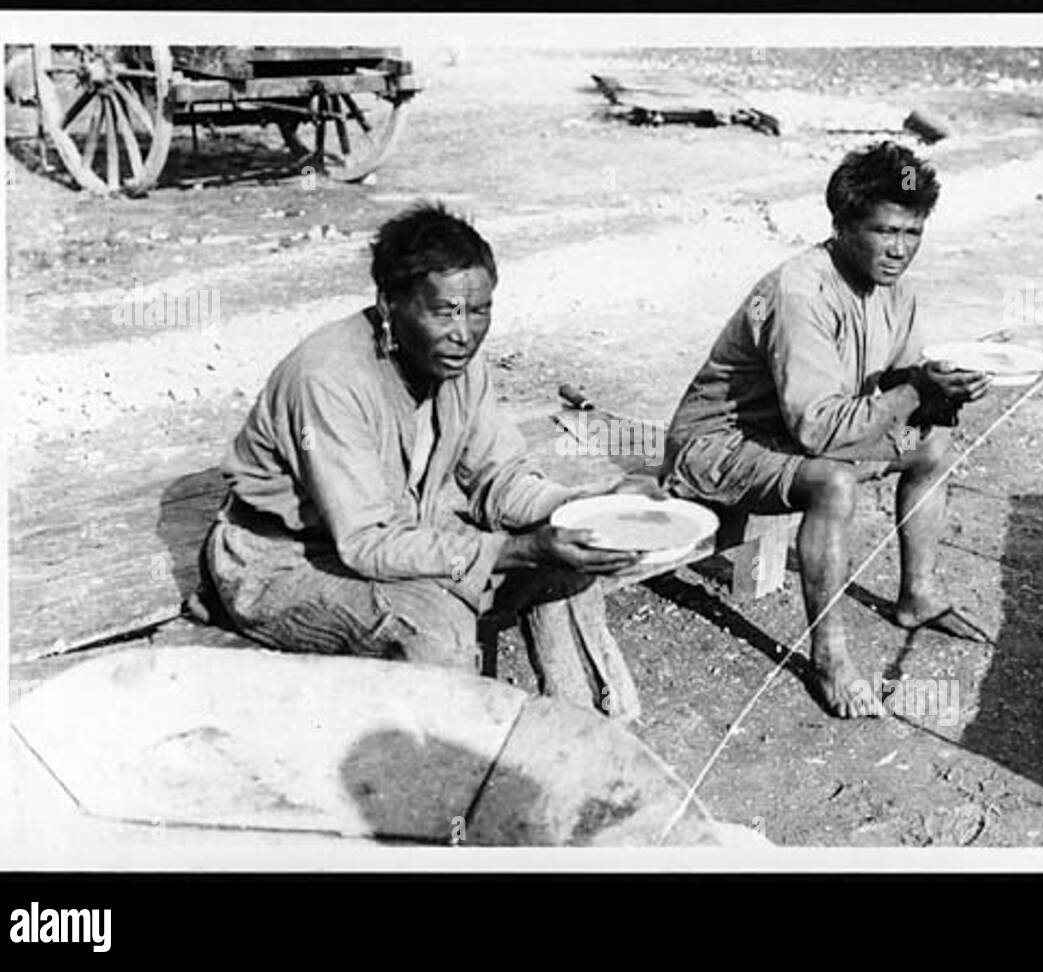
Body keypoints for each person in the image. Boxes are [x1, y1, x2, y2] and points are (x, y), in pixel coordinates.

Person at [196, 201, 655, 719]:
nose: (465, 331)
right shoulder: (328, 379)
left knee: (567, 567)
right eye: (444, 312)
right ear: (389, 305)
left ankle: (589, 740)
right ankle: (452, 780)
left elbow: (499, 482)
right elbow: (366, 543)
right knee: (435, 627)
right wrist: (516, 549)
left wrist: (590, 507)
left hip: (402, 527)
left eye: (478, 309)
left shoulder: (459, 365)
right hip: (287, 560)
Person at [659, 141, 991, 719]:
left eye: (912, 234)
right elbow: (818, 431)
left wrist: (938, 388)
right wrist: (914, 393)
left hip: (795, 433)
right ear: (840, 225)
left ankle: (918, 595)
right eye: (884, 231)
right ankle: (830, 657)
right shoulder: (800, 291)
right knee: (833, 482)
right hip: (723, 444)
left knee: (934, 445)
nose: (899, 250)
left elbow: (894, 386)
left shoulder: (898, 290)